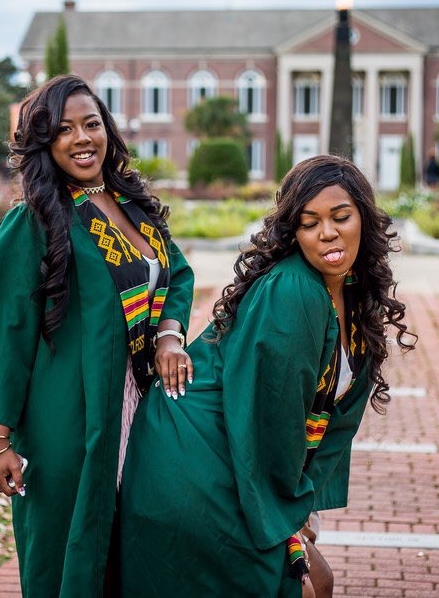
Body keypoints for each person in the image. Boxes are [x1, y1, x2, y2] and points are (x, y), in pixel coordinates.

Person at [0, 74, 195, 596]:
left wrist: (169, 334)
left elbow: (176, 273)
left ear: (108, 131)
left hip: (137, 412)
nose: (82, 138)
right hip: (69, 423)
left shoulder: (131, 207)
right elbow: (8, 332)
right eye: (63, 130)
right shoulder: (36, 222)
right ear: (44, 144)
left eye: (91, 124)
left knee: (128, 549)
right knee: (66, 554)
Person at [119, 155, 415, 597]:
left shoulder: (355, 298)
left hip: (239, 463)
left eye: (340, 217)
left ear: (363, 219)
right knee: (304, 587)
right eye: (309, 222)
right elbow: (269, 417)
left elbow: (335, 427)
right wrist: (289, 514)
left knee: (317, 583)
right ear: (294, 233)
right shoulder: (292, 291)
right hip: (196, 462)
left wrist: (302, 505)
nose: (327, 232)